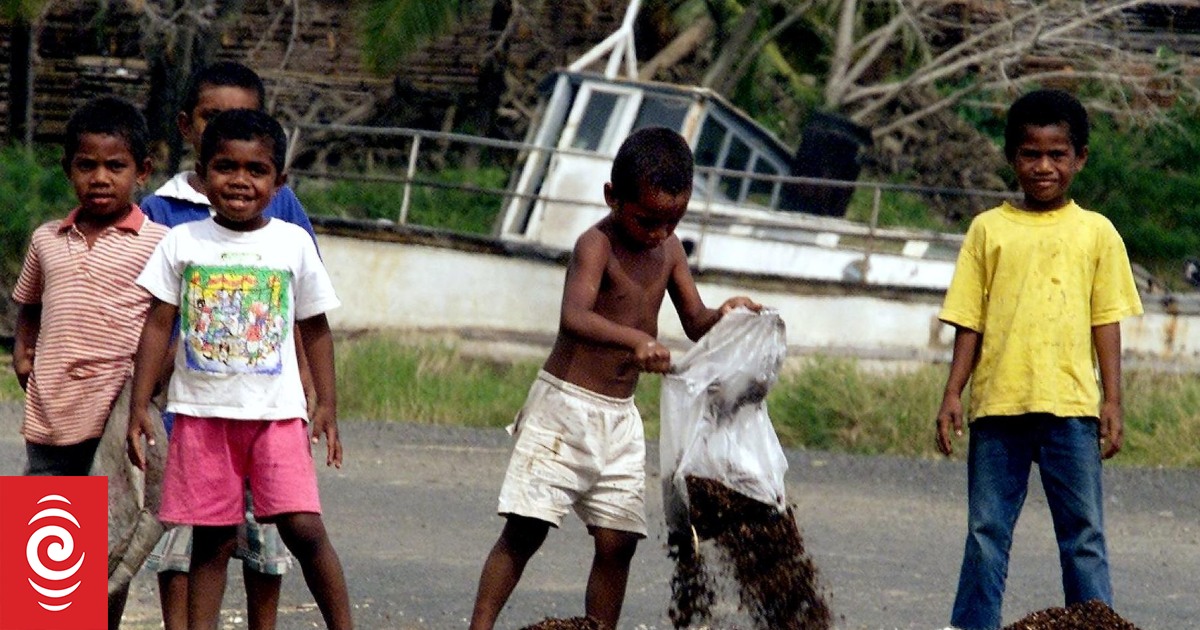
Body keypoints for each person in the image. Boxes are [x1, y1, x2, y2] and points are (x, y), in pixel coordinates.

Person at [468, 126, 760, 630]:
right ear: (613, 197)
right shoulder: (595, 245)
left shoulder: (669, 251)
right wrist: (635, 341)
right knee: (526, 530)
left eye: (673, 220)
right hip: (564, 410)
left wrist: (725, 315)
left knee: (618, 541)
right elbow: (574, 317)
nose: (659, 233)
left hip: (619, 418)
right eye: (648, 220)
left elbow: (695, 321)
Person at [127, 108, 352, 630]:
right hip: (201, 417)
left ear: (279, 180)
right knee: (212, 539)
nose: (240, 180)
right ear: (203, 174)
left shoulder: (291, 243)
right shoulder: (182, 242)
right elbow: (158, 325)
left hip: (277, 416)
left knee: (303, 527)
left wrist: (327, 403)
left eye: (256, 170)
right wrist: (140, 404)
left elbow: (315, 327)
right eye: (226, 167)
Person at [934, 89, 1144, 630]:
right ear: (1012, 156)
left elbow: (1106, 321)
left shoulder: (1096, 232)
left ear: (1080, 158)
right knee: (986, 533)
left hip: (1071, 408)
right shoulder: (988, 229)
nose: (1044, 167)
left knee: (1083, 536)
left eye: (1057, 154)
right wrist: (953, 391)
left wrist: (1113, 400)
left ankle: (1096, 624)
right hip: (997, 407)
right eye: (1031, 154)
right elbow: (969, 319)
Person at [9, 95, 167, 630]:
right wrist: (23, 348)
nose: (100, 178)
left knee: (108, 539)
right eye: (86, 165)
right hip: (53, 411)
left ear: (141, 171)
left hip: (118, 416)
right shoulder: (47, 240)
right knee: (47, 533)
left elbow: (169, 323)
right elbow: (29, 302)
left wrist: (150, 390)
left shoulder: (159, 244)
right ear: (68, 169)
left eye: (115, 166)